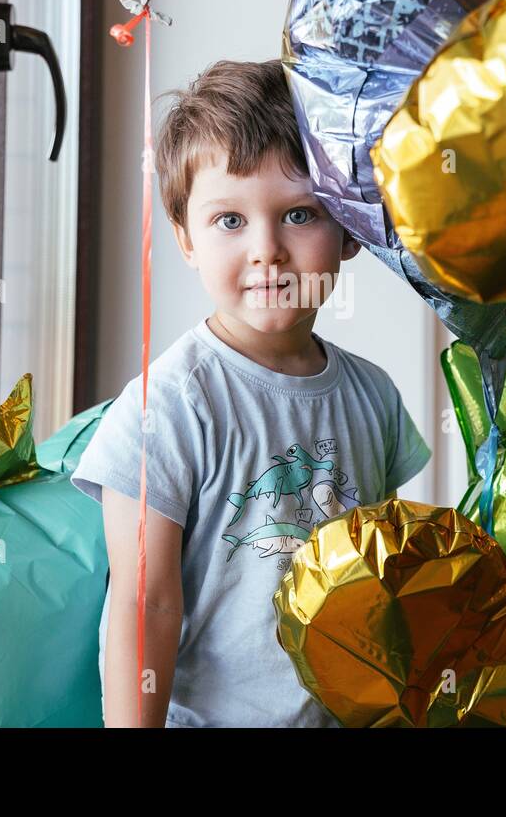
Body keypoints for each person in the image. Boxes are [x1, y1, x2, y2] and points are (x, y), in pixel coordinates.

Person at [71, 58, 431, 727]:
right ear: (185, 238)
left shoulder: (373, 396)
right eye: (229, 221)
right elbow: (142, 606)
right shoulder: (167, 408)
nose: (268, 249)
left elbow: (378, 583)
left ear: (349, 230)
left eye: (299, 214)